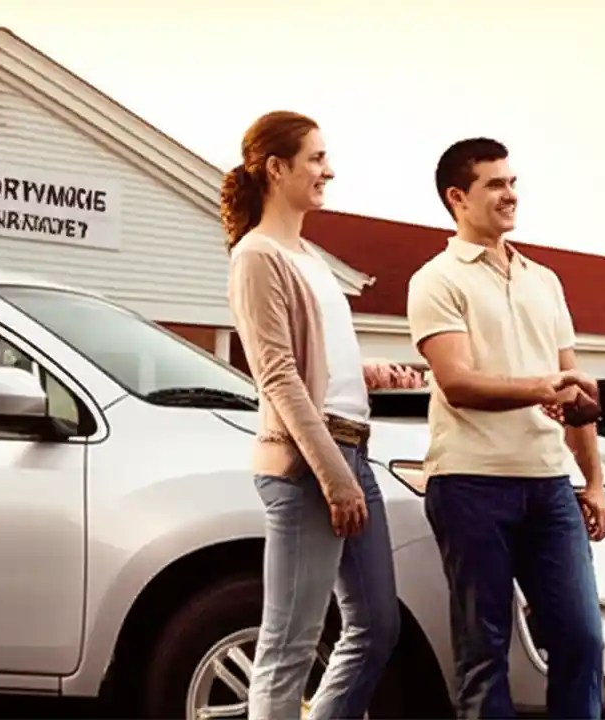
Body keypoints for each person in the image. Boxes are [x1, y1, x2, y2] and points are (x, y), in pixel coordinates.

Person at [406, 137, 605, 719]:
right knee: (483, 652)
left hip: (549, 486)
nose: (510, 194)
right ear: (457, 197)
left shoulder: (544, 279)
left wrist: (591, 479)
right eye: (495, 184)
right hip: (471, 484)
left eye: (512, 182)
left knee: (580, 638)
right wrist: (542, 388)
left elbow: (574, 391)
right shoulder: (436, 280)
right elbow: (458, 383)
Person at [222, 110, 399, 719]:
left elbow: (314, 359)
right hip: (306, 468)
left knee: (377, 625)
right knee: (288, 646)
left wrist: (367, 372)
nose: (329, 169)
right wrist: (332, 476)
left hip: (352, 450)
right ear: (277, 168)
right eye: (316, 158)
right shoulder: (257, 257)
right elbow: (276, 373)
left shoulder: (310, 259)